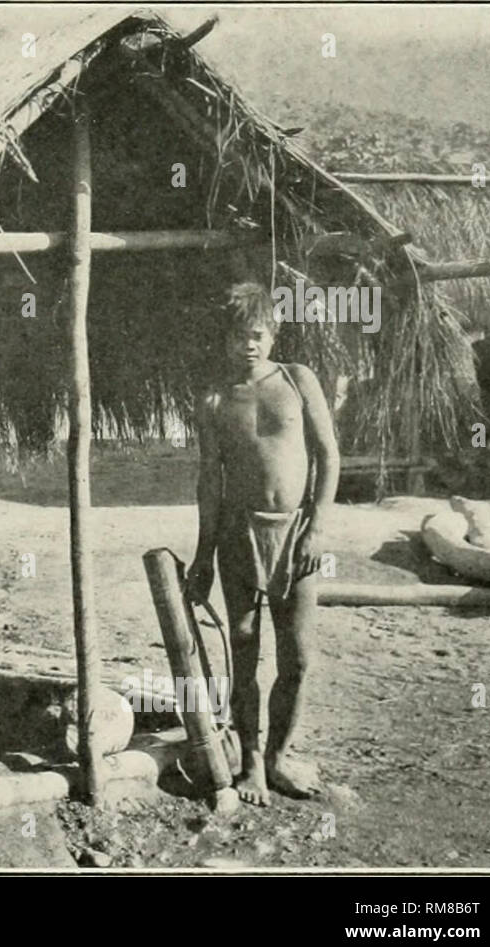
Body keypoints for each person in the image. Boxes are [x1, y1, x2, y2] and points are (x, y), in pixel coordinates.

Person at [187, 282, 340, 806]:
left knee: (297, 659)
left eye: (256, 334)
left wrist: (317, 528)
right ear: (225, 341)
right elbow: (210, 481)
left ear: (272, 335)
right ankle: (252, 764)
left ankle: (279, 756)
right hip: (237, 534)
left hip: (296, 532)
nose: (247, 345)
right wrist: (203, 555)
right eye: (237, 336)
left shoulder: (299, 381)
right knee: (245, 653)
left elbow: (328, 456)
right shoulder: (212, 399)